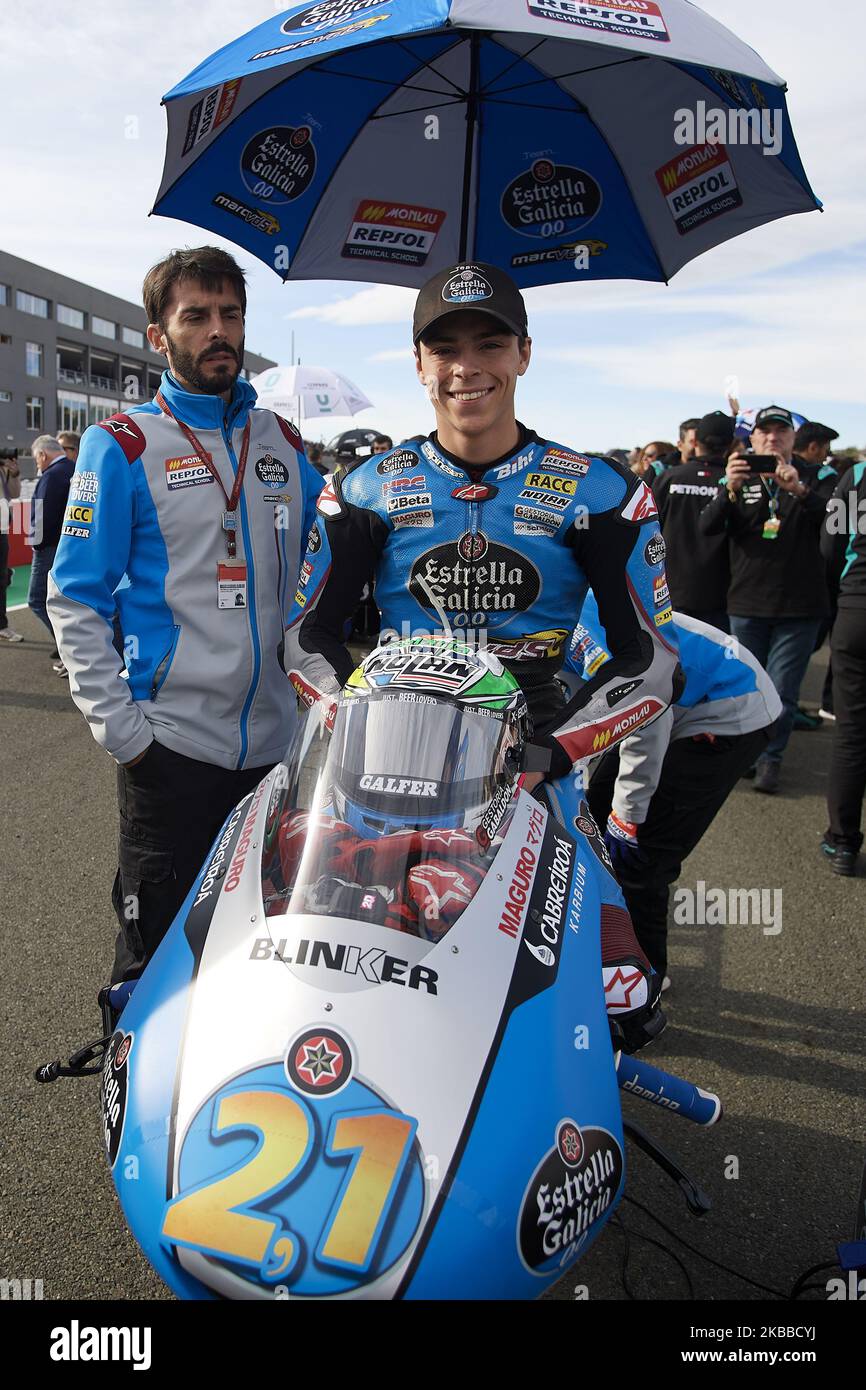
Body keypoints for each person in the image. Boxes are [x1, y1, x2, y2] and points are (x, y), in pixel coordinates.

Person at [286, 260, 684, 1051]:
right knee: (319, 949)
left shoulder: (602, 491)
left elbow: (656, 660)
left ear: (524, 355)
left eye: (490, 343)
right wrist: (348, 724)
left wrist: (552, 751)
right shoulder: (361, 488)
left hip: (538, 748)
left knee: (619, 996)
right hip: (383, 751)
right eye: (446, 348)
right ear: (420, 365)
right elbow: (306, 636)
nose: (468, 366)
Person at [48, 246, 323, 992]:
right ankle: (129, 1095)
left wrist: (317, 707)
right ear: (158, 335)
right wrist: (127, 736)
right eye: (195, 316)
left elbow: (309, 595)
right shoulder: (121, 445)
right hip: (169, 752)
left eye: (230, 315)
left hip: (276, 756)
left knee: (260, 955)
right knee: (155, 964)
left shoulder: (286, 448)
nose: (217, 332)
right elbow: (74, 598)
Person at [565, 596, 781, 984]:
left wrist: (628, 814)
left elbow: (647, 713)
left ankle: (645, 981)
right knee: (591, 825)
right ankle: (603, 944)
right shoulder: (520, 617)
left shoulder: (581, 634)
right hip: (672, 699)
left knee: (638, 852)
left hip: (726, 706)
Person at [699, 405, 837, 794]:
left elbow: (834, 524)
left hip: (801, 606)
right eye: (766, 432)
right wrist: (728, 489)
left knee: (784, 689)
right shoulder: (739, 477)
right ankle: (747, 754)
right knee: (746, 688)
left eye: (781, 431)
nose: (773, 438)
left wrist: (799, 490)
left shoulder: (819, 476)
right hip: (747, 603)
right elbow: (706, 527)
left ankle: (770, 760)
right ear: (752, 439)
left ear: (794, 439)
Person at [819, 460, 866, 875]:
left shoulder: (859, 475)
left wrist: (843, 597)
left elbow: (831, 547)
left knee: (852, 735)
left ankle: (843, 842)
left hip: (857, 611)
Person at [652, 410, 733, 631]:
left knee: (675, 660)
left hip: (670, 588)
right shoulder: (736, 483)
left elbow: (646, 529)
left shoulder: (668, 478)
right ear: (731, 443)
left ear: (695, 441)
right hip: (722, 591)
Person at [794, 421, 841, 723]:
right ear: (815, 446)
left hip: (800, 583)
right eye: (825, 447)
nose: (826, 454)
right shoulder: (826, 476)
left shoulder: (822, 477)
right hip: (816, 581)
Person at [28, 435, 75, 673]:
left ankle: (71, 650)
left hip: (49, 548)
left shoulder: (51, 475)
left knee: (36, 599)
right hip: (72, 546)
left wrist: (34, 544)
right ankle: (73, 650)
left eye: (36, 458)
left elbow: (40, 513)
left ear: (42, 455)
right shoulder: (75, 468)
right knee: (71, 602)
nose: (37, 463)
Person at [0, 448, 23, 643]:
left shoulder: (4, 470)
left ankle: (2, 625)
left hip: (1, 530)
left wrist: (14, 473)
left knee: (1, 580)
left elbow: (15, 493)